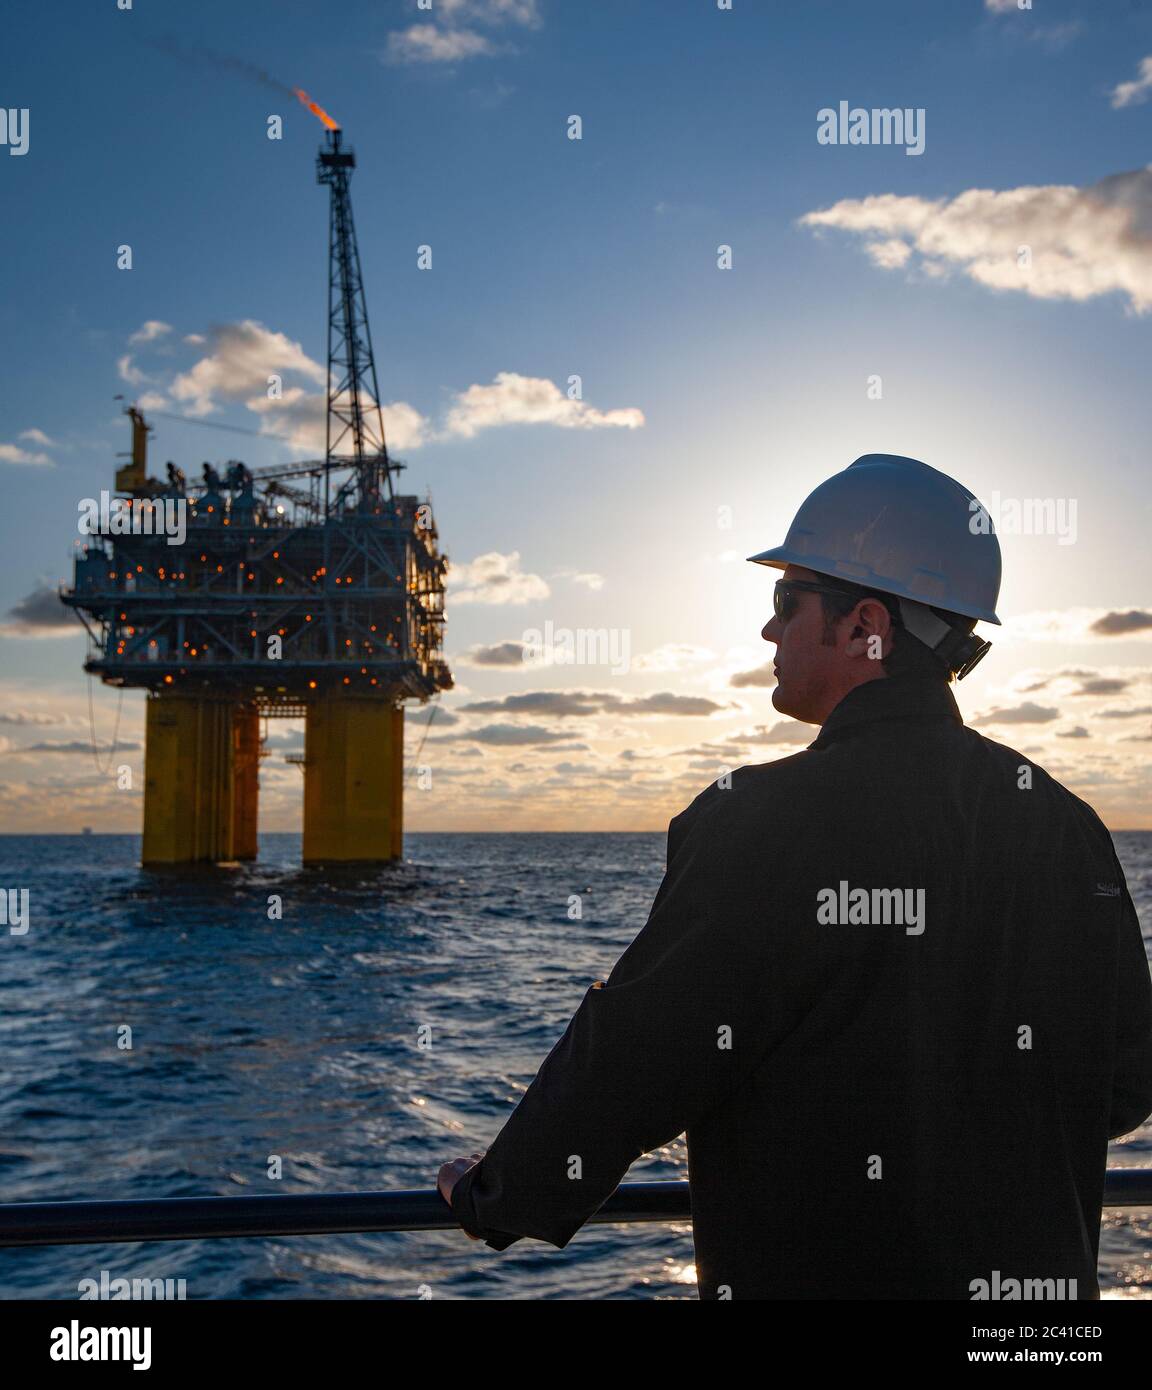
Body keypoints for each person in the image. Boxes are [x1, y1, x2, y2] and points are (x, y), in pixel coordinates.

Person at [438, 454, 1152, 1300]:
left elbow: (635, 1055)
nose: (770, 632)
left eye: (788, 602)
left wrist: (499, 1195)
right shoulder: (1067, 825)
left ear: (865, 628)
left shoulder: (759, 820)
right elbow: (1125, 1081)